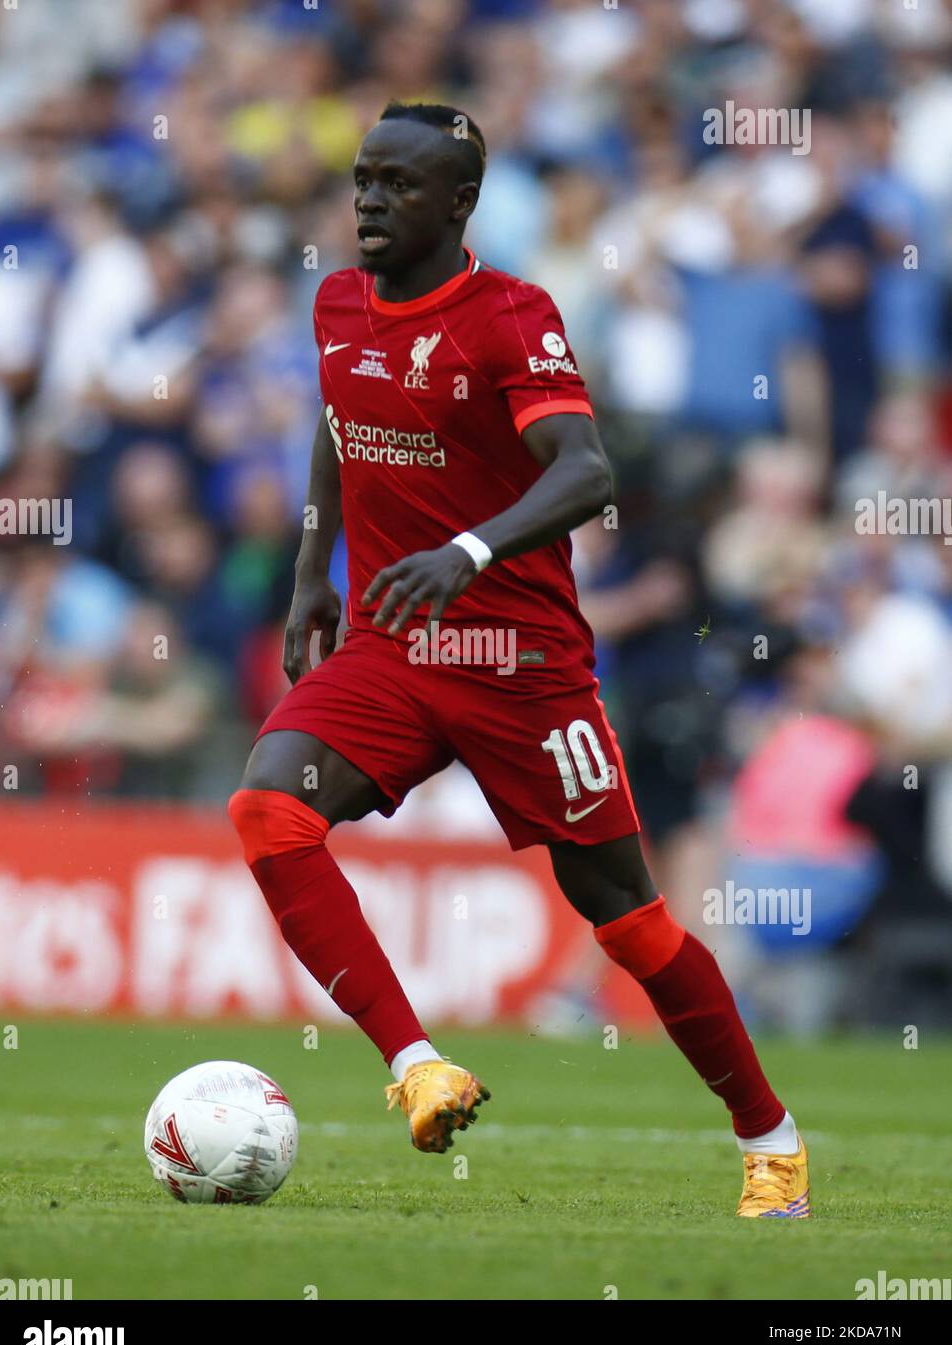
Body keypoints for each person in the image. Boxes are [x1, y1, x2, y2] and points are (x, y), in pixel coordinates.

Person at [228, 103, 809, 1218]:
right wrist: (314, 568)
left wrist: (469, 548)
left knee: (630, 920)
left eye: (398, 185)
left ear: (459, 204)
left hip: (519, 661)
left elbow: (586, 470)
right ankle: (417, 1065)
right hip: (394, 644)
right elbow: (341, 420)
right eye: (361, 180)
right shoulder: (337, 300)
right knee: (269, 811)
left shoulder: (511, 315)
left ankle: (770, 1139)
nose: (368, 202)